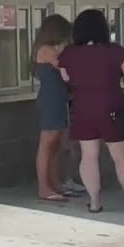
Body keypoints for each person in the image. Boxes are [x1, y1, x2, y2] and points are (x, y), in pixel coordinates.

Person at [58, 8, 124, 214]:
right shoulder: (114, 50)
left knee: (88, 157)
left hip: (83, 108)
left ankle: (95, 203)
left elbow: (66, 78)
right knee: (122, 159)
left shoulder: (68, 53)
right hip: (112, 107)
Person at [33, 14, 78, 202]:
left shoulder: (52, 49)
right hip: (51, 99)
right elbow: (66, 70)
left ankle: (54, 182)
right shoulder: (46, 50)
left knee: (56, 143)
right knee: (47, 143)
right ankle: (44, 187)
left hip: (59, 98)